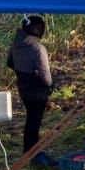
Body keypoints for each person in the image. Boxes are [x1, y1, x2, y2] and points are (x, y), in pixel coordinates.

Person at [8, 15, 54, 154]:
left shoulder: (16, 44)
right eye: (39, 28)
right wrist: (50, 85)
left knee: (31, 120)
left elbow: (10, 62)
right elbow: (45, 74)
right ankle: (33, 152)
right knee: (34, 122)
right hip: (37, 90)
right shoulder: (38, 48)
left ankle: (29, 150)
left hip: (23, 87)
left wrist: (23, 72)